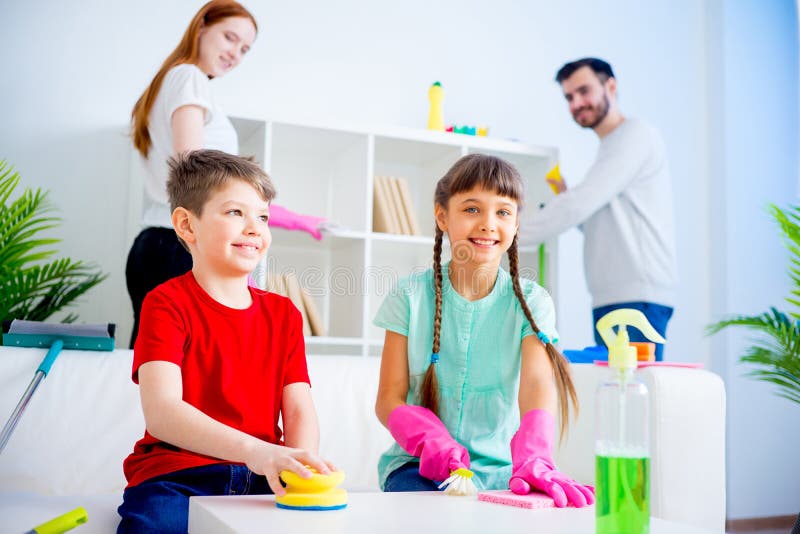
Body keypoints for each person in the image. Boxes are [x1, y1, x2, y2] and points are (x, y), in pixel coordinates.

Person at [117, 150, 333, 533]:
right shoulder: (165, 304)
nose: (255, 228)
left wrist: (302, 467)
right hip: (177, 477)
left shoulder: (284, 315)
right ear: (187, 225)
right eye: (236, 213)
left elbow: (298, 409)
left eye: (263, 217)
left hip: (262, 478)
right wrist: (258, 452)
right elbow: (163, 412)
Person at [373, 154, 594, 508]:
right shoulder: (409, 296)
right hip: (418, 469)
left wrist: (535, 455)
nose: (488, 224)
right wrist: (429, 438)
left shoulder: (533, 302)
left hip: (506, 474)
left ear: (517, 222)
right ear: (442, 215)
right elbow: (388, 399)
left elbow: (537, 385)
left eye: (503, 212)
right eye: (472, 209)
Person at [126, 0, 324, 348]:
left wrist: (266, 215)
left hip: (159, 244)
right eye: (230, 37)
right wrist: (273, 215)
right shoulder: (189, 77)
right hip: (178, 249)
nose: (235, 53)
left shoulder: (173, 81)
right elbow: (193, 175)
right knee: (182, 374)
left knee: (154, 371)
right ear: (201, 27)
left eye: (244, 49)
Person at [521, 57, 677, 360]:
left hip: (636, 296)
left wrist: (506, 233)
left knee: (627, 397)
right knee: (615, 395)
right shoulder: (611, 147)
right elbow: (595, 215)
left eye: (584, 91)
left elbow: (579, 204)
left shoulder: (636, 135)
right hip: (616, 294)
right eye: (569, 97)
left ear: (611, 86)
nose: (576, 103)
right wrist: (567, 198)